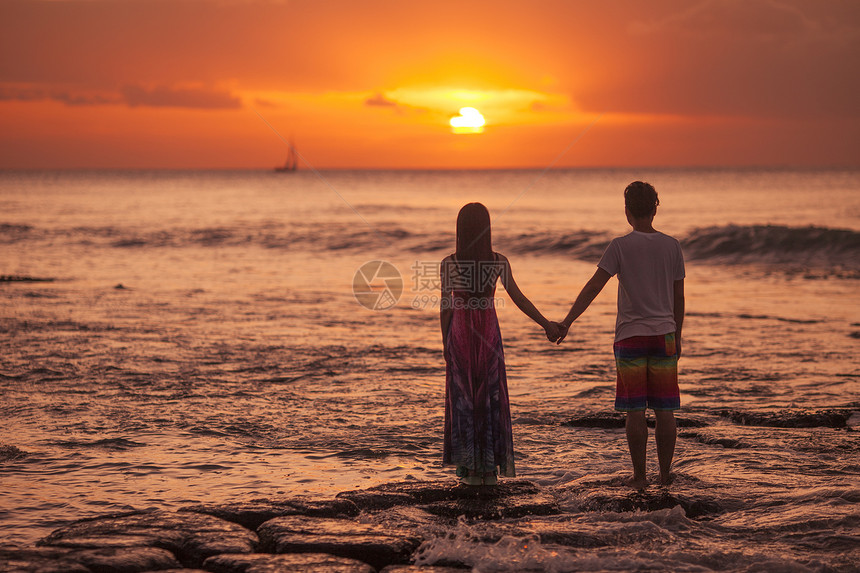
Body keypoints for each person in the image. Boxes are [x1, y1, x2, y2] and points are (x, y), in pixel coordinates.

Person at [556, 181, 685, 488]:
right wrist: (677, 335)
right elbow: (678, 297)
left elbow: (593, 286)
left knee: (635, 411)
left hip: (630, 337)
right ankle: (665, 476)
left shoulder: (620, 246)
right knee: (665, 410)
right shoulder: (672, 246)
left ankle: (640, 477)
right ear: (655, 208)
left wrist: (567, 321)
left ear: (627, 212)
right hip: (665, 334)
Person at [441, 202, 560, 486]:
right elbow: (518, 298)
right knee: (490, 397)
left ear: (460, 230)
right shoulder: (498, 261)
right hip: (489, 335)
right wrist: (547, 324)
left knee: (464, 399)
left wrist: (445, 343)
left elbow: (446, 308)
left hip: (461, 336)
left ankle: (470, 471)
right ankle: (489, 470)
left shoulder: (450, 263)